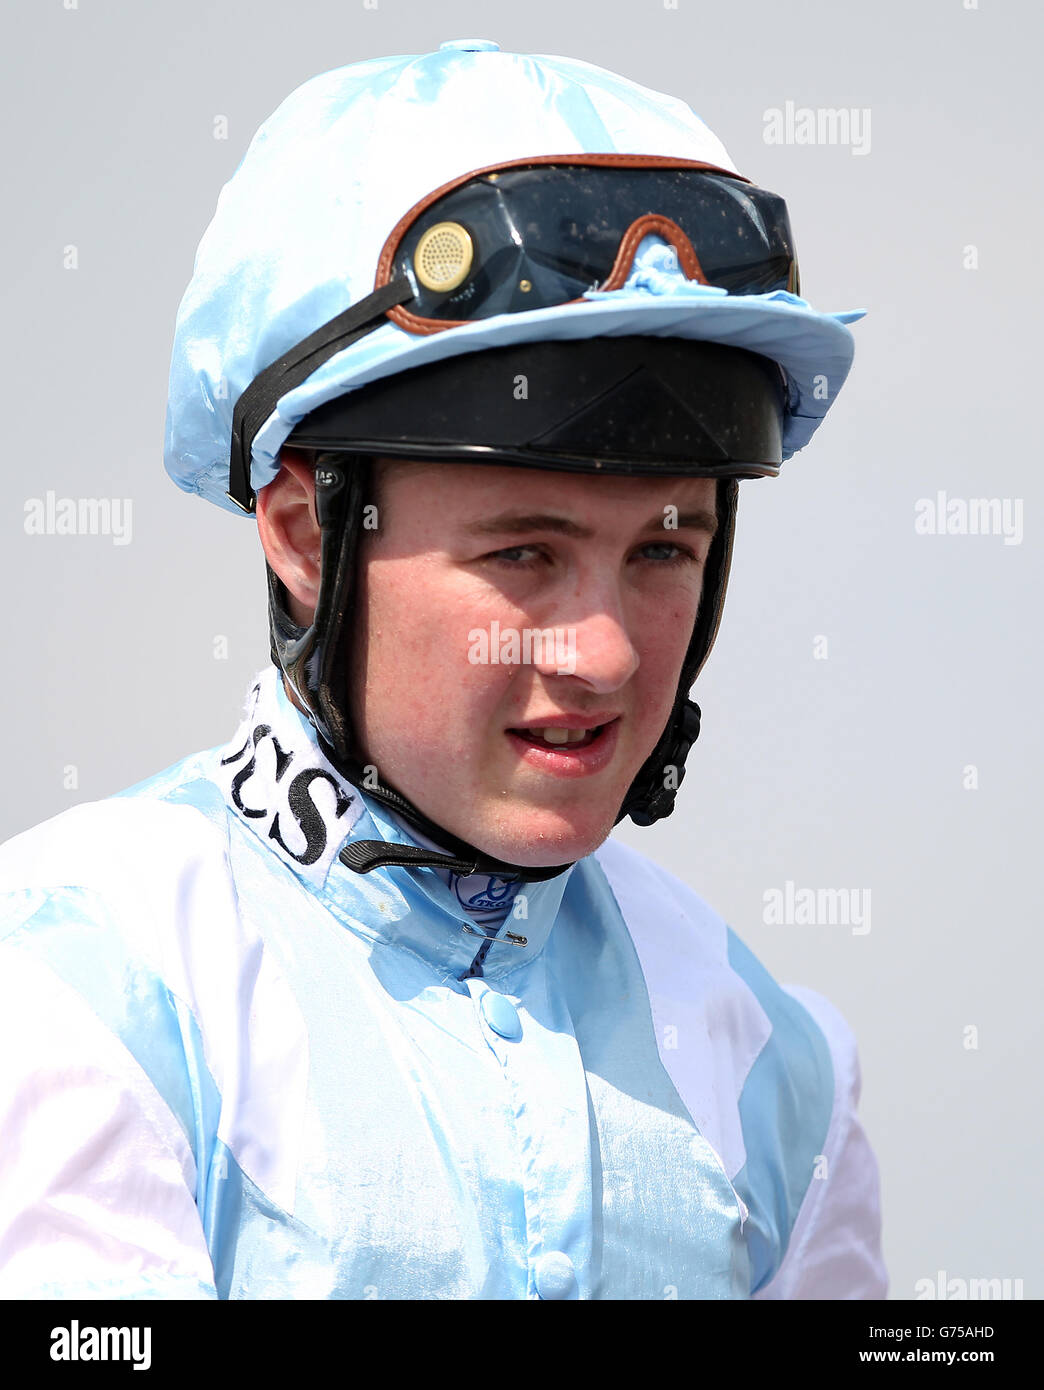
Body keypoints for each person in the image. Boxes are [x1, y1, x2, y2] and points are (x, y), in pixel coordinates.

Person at [0, 39, 886, 1300]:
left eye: (665, 548)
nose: (604, 653)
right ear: (307, 534)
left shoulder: (780, 1075)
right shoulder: (71, 991)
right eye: (525, 551)